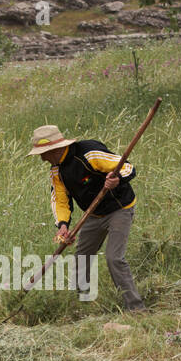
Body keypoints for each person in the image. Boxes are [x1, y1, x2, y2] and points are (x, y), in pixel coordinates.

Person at [27, 123, 146, 312]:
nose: (42, 158)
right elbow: (60, 200)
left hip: (119, 208)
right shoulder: (56, 171)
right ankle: (82, 308)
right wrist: (63, 225)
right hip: (93, 214)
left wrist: (116, 180)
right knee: (81, 258)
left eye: (44, 153)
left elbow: (127, 167)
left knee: (114, 258)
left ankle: (137, 310)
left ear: (55, 149)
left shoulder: (89, 152)